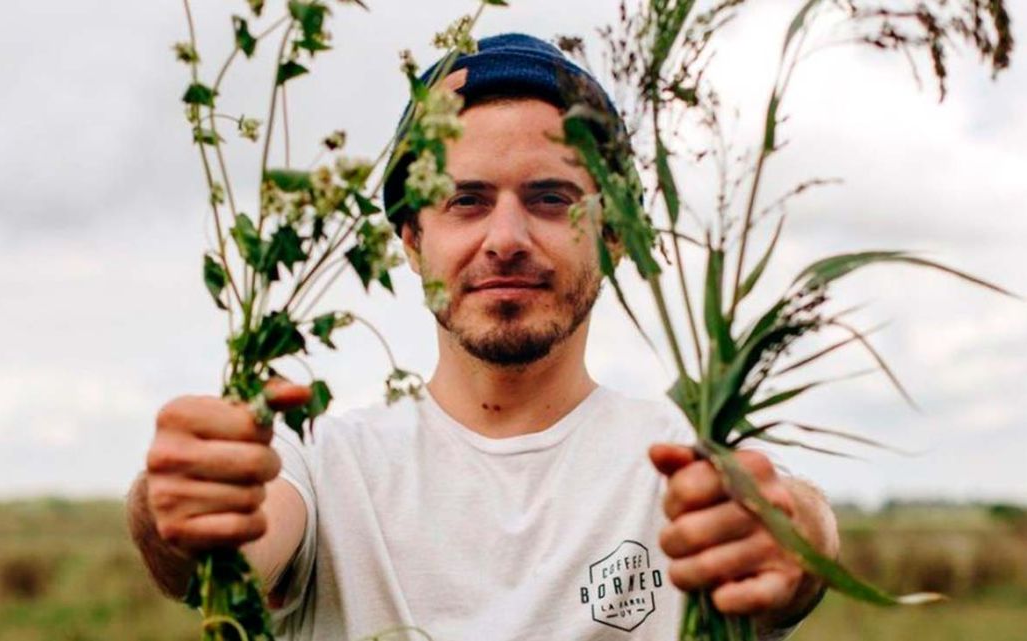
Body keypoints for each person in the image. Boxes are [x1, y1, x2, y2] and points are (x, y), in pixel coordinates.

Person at [128, 33, 839, 640]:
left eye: (551, 198)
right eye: (465, 200)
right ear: (411, 237)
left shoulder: (681, 471)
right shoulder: (326, 464)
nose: (505, 239)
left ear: (616, 233)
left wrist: (800, 541)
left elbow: (785, 534)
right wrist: (183, 504)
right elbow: (233, 541)